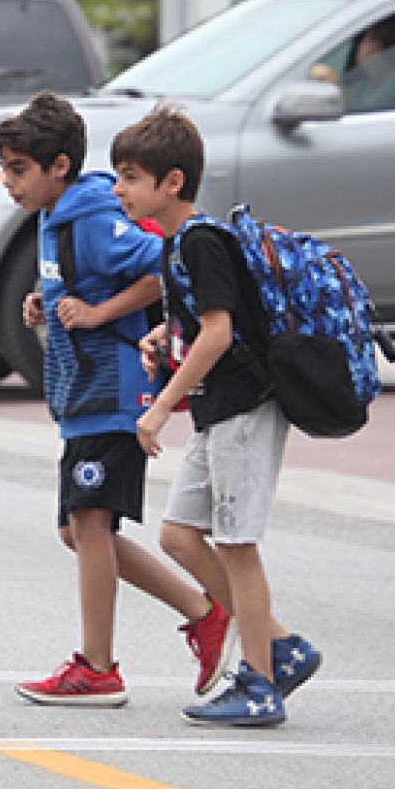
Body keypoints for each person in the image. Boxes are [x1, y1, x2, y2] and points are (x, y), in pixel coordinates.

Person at [0, 93, 235, 708]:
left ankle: (98, 668)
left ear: (59, 166)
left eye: (19, 169)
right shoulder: (57, 216)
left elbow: (166, 265)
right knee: (79, 530)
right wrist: (52, 302)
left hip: (115, 391)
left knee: (90, 524)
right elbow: (92, 278)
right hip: (82, 395)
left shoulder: (93, 215)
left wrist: (102, 312)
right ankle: (204, 613)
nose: (8, 183)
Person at [111, 106, 322, 727]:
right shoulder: (180, 245)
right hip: (218, 412)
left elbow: (219, 333)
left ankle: (258, 683)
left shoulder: (201, 241)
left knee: (237, 546)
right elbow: (201, 321)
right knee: (179, 534)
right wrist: (160, 334)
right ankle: (281, 647)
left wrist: (160, 408)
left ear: (171, 182)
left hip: (244, 411)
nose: (118, 189)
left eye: (129, 176)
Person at [342, 17, 395, 113]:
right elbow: (347, 97)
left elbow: (366, 113)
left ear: (375, 46)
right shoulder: (368, 82)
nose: (359, 46)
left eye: (365, 40)